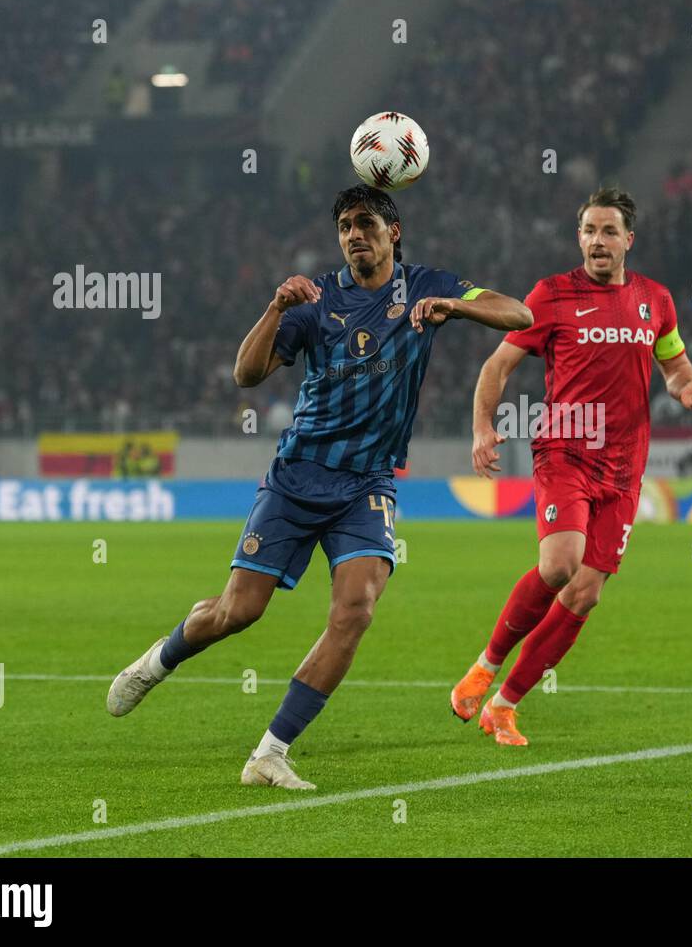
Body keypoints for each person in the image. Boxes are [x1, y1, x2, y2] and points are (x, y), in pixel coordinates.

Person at [105, 185, 532, 790]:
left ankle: (270, 753)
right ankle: (159, 661)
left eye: (365, 224)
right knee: (237, 612)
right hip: (297, 476)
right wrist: (275, 308)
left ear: (394, 231)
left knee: (355, 611)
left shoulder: (428, 285)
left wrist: (454, 307)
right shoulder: (313, 300)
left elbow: (521, 315)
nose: (354, 235)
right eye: (344, 227)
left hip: (367, 484)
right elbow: (245, 374)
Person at [450, 187, 692, 746]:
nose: (598, 242)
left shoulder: (656, 300)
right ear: (580, 238)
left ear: (628, 240)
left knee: (586, 593)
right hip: (566, 450)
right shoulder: (551, 295)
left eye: (608, 232)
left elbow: (674, 367)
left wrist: (685, 387)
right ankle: (485, 664)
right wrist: (482, 426)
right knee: (559, 565)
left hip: (625, 467)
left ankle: (504, 706)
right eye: (589, 231)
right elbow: (497, 366)